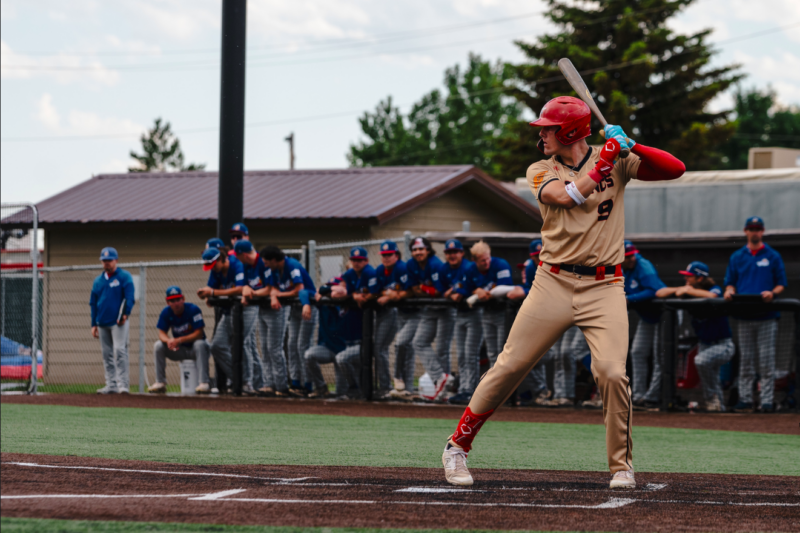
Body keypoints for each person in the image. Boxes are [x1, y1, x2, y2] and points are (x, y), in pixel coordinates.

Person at [441, 96, 685, 489]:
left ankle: (621, 466)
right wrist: (608, 153)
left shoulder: (618, 159)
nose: (542, 135)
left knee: (610, 372)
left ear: (570, 131)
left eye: (549, 128)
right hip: (552, 281)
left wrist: (631, 146)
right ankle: (457, 446)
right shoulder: (541, 168)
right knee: (510, 365)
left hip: (605, 284)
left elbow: (676, 169)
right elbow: (567, 196)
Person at [724, 216, 787, 413]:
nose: (754, 232)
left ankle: (766, 401)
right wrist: (728, 290)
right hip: (744, 315)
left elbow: (781, 283)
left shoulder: (772, 255)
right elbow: (730, 281)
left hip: (766, 315)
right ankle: (745, 399)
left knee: (767, 361)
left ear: (762, 231)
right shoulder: (737, 256)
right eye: (751, 228)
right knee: (746, 361)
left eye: (757, 229)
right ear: (745, 231)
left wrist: (773, 293)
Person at [656, 262, 734, 412]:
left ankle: (711, 398)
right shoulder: (687, 290)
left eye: (689, 277)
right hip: (704, 344)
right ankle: (718, 407)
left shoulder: (712, 288)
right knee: (710, 373)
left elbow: (713, 295)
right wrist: (682, 289)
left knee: (700, 361)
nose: (686, 279)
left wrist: (689, 291)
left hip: (723, 345)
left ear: (699, 278)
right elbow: (660, 293)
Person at [261, 246, 316, 396]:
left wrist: (279, 294)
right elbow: (273, 289)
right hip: (294, 308)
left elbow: (299, 288)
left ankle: (308, 384)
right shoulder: (274, 269)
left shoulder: (292, 265)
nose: (265, 265)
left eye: (266, 262)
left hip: (308, 306)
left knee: (302, 345)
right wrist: (274, 295)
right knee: (292, 345)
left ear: (274, 260)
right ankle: (296, 383)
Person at [238, 240, 290, 397]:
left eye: (238, 255)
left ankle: (281, 386)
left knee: (274, 349)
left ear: (244, 254)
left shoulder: (263, 262)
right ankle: (268, 384)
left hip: (276, 309)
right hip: (263, 309)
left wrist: (251, 293)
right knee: (266, 349)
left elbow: (269, 288)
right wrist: (247, 290)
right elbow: (245, 285)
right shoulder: (247, 266)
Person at [622, 241, 667, 409]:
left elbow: (652, 290)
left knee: (659, 357)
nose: (631, 259)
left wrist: (629, 299)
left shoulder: (643, 266)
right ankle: (639, 395)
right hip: (647, 317)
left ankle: (652, 397)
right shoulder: (620, 269)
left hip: (664, 314)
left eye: (632, 254)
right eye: (627, 256)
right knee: (637, 352)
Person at [509, 239, 553, 406]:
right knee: (525, 356)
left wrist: (524, 291)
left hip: (555, 316)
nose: (539, 258)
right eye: (536, 256)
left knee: (546, 355)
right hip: (536, 316)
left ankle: (541, 391)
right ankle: (540, 392)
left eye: (541, 254)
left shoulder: (555, 265)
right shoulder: (530, 266)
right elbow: (529, 287)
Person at [411, 237, 455, 401]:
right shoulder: (412, 264)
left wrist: (422, 288)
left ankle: (446, 390)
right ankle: (440, 379)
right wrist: (423, 289)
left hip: (445, 309)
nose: (418, 252)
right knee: (419, 342)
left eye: (421, 249)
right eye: (415, 250)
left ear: (428, 250)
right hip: (429, 308)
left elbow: (437, 291)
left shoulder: (436, 264)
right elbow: (413, 290)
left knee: (443, 349)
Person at [456, 241, 513, 369]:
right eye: (482, 260)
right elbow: (466, 288)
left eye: (488, 258)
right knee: (492, 352)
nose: (486, 262)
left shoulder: (500, 264)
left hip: (504, 313)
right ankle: (496, 385)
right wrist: (477, 290)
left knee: (502, 351)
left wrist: (485, 294)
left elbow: (505, 287)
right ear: (474, 260)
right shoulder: (471, 269)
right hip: (487, 313)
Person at [440, 239, 481, 406]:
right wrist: (453, 292)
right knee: (462, 355)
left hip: (475, 313)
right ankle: (464, 388)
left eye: (455, 252)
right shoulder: (444, 268)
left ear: (461, 253)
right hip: (460, 314)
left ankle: (471, 391)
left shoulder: (469, 266)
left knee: (471, 355)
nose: (452, 255)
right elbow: (441, 290)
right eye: (449, 252)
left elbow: (473, 286)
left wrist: (458, 291)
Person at [90, 247, 135, 394]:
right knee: (107, 354)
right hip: (102, 322)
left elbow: (129, 297)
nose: (106, 263)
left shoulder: (124, 276)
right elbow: (93, 303)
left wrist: (125, 313)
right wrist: (93, 324)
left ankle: (123, 385)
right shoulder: (98, 280)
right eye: (104, 261)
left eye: (109, 260)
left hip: (118, 322)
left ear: (116, 260)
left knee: (120, 351)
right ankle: (111, 385)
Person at [147, 286, 210, 394]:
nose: (176, 303)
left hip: (197, 350)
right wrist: (169, 341)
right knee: (158, 346)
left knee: (200, 344)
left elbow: (199, 334)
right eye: (172, 301)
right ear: (168, 302)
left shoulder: (193, 309)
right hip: (179, 350)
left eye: (178, 300)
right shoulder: (166, 312)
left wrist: (179, 340)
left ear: (183, 299)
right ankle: (160, 382)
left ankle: (204, 383)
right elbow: (161, 333)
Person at [338, 247, 379, 398]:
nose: (356, 263)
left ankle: (368, 390)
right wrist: (356, 295)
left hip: (372, 324)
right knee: (352, 361)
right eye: (354, 260)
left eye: (360, 260)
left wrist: (364, 297)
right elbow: (350, 291)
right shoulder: (349, 274)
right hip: (354, 328)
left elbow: (375, 292)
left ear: (366, 261)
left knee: (360, 360)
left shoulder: (370, 272)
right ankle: (355, 390)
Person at [196, 247, 239, 392]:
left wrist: (213, 292)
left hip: (244, 312)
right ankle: (238, 378)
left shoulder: (236, 264)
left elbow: (241, 288)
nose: (212, 269)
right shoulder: (216, 271)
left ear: (221, 259)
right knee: (217, 345)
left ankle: (249, 382)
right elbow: (211, 288)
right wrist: (206, 294)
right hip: (228, 312)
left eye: (213, 265)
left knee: (245, 347)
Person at [303, 277, 349, 398]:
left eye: (332, 289)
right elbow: (304, 291)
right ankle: (321, 387)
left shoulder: (346, 303)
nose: (329, 294)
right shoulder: (323, 304)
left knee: (341, 392)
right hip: (327, 348)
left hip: (344, 351)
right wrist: (306, 304)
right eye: (328, 290)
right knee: (309, 355)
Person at [374, 240, 409, 399]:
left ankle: (388, 386)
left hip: (402, 312)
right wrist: (388, 294)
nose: (386, 258)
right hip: (389, 312)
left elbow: (406, 290)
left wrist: (388, 295)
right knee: (385, 348)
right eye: (384, 255)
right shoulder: (380, 269)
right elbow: (376, 291)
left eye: (389, 255)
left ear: (396, 255)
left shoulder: (402, 267)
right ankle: (389, 386)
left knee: (386, 347)